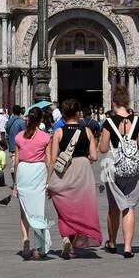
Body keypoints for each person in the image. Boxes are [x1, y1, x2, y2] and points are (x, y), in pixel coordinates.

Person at [99, 86, 139, 257]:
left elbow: (102, 148)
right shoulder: (138, 121)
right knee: (129, 207)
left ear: (114, 103)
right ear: (127, 102)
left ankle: (113, 243)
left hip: (114, 168)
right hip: (132, 169)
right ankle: (128, 247)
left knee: (114, 207)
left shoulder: (109, 122)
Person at [45, 98, 101, 259]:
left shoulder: (58, 132)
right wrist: (83, 159)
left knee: (64, 208)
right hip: (83, 171)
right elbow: (94, 156)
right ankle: (73, 245)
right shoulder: (88, 131)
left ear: (63, 114)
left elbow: (53, 160)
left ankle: (65, 237)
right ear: (78, 113)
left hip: (64, 171)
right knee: (80, 207)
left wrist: (49, 181)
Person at [12, 105, 54, 259]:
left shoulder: (19, 136)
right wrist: (49, 180)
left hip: (23, 171)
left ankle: (25, 238)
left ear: (28, 119)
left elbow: (16, 161)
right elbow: (49, 161)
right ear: (41, 120)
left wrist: (16, 181)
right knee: (38, 210)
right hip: (38, 172)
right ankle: (38, 247)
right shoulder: (45, 137)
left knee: (24, 210)